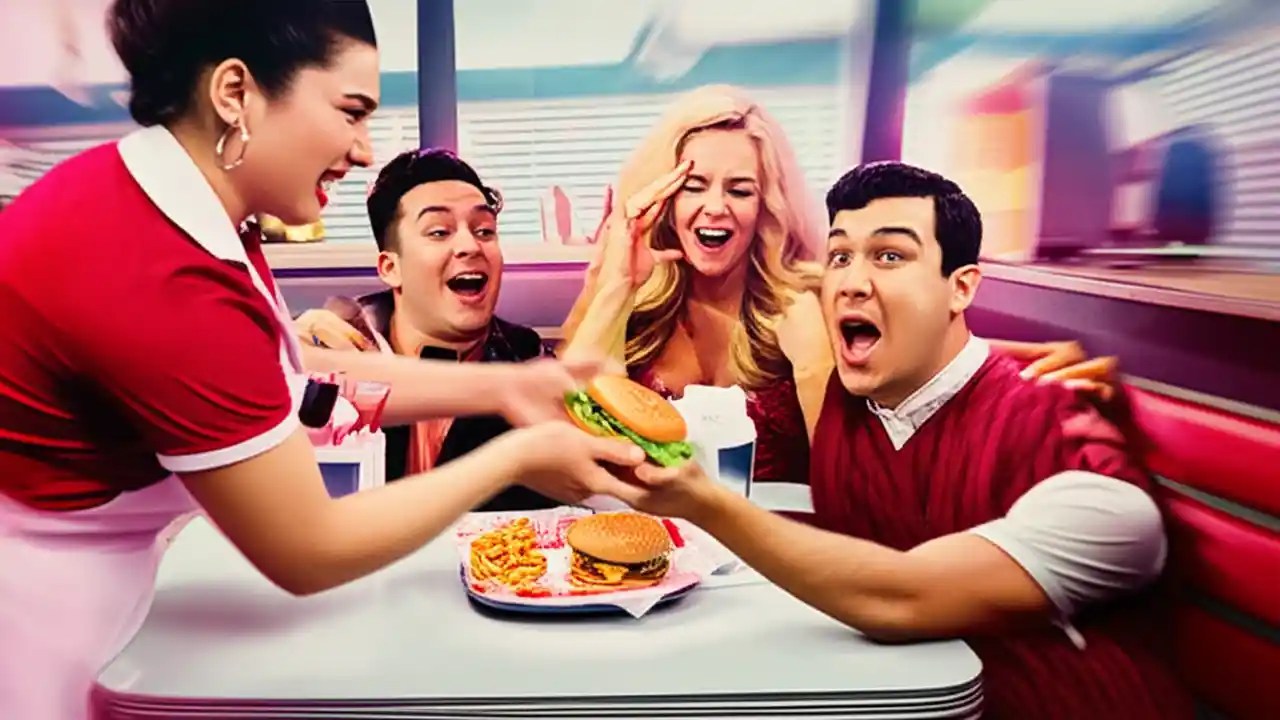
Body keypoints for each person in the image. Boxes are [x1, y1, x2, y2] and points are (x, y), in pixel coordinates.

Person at [0, 3, 641, 718]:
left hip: (123, 591)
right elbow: (306, 549)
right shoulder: (157, 274)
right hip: (52, 626)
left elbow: (289, 374)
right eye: (351, 112)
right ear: (236, 94)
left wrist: (511, 384)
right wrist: (516, 457)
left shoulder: (174, 204)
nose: (366, 149)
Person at [617, 162, 1194, 719]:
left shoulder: (1081, 465)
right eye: (840, 255)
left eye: (890, 256)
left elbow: (903, 596)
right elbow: (584, 406)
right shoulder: (847, 392)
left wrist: (700, 499)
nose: (851, 282)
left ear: (961, 287)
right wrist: (618, 278)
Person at [562, 84, 1117, 489]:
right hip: (653, 556)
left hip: (787, 561)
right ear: (667, 199)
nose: (715, 207)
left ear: (767, 208)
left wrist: (1030, 371)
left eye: (740, 190)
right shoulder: (623, 297)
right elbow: (572, 437)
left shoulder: (811, 299)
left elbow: (924, 359)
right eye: (695, 186)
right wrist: (616, 283)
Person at [293, 148, 561, 510]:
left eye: (485, 231)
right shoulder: (336, 348)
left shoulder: (525, 360)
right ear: (391, 268)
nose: (470, 246)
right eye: (439, 232)